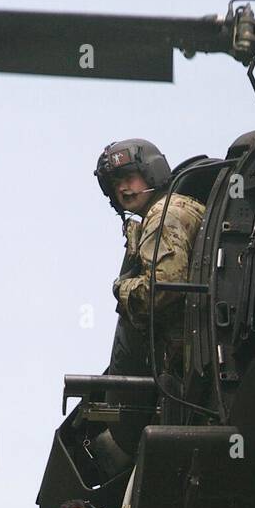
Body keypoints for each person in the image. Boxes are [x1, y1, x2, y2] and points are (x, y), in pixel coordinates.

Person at [94, 138, 205, 381]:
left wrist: (122, 289)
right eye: (115, 183)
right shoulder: (176, 208)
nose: (123, 188)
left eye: (129, 177)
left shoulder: (164, 215)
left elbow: (164, 288)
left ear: (150, 173)